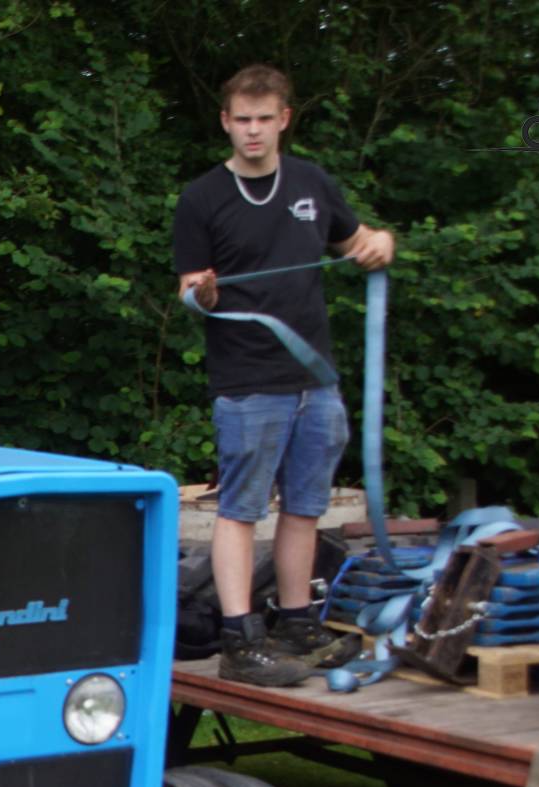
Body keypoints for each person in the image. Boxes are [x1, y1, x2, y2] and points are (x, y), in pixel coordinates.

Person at [173, 64, 395, 686]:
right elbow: (191, 293)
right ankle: (242, 639)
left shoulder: (311, 183)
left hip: (314, 384)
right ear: (225, 122)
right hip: (247, 383)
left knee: (305, 507)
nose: (252, 131)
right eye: (241, 120)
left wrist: (379, 243)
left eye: (264, 119)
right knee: (242, 510)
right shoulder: (201, 199)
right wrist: (205, 294)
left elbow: (360, 242)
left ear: (283, 120)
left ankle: (298, 624)